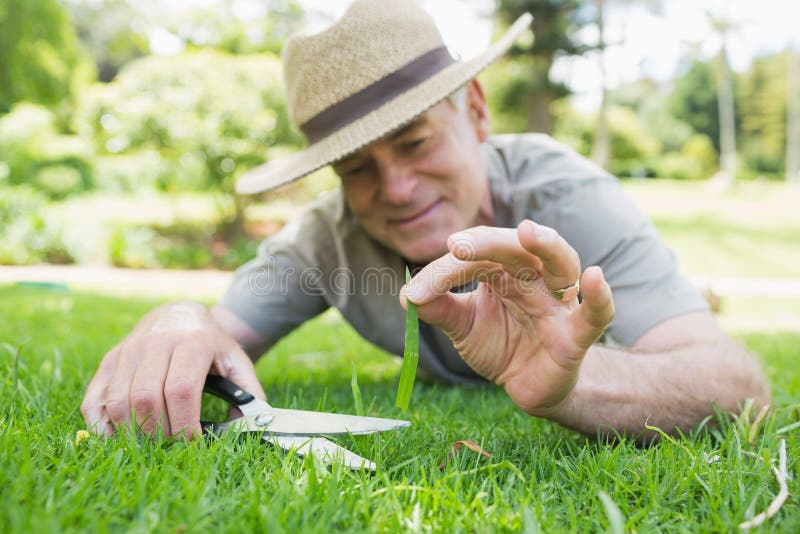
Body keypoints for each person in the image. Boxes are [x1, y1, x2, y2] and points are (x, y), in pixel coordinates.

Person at [81, 0, 769, 441]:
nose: (397, 188)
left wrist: (576, 380)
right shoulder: (327, 242)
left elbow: (735, 385)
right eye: (355, 168)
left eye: (413, 143)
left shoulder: (563, 199)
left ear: (474, 110)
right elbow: (214, 330)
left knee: (668, 312)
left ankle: (688, 292)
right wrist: (176, 317)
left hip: (604, 303)